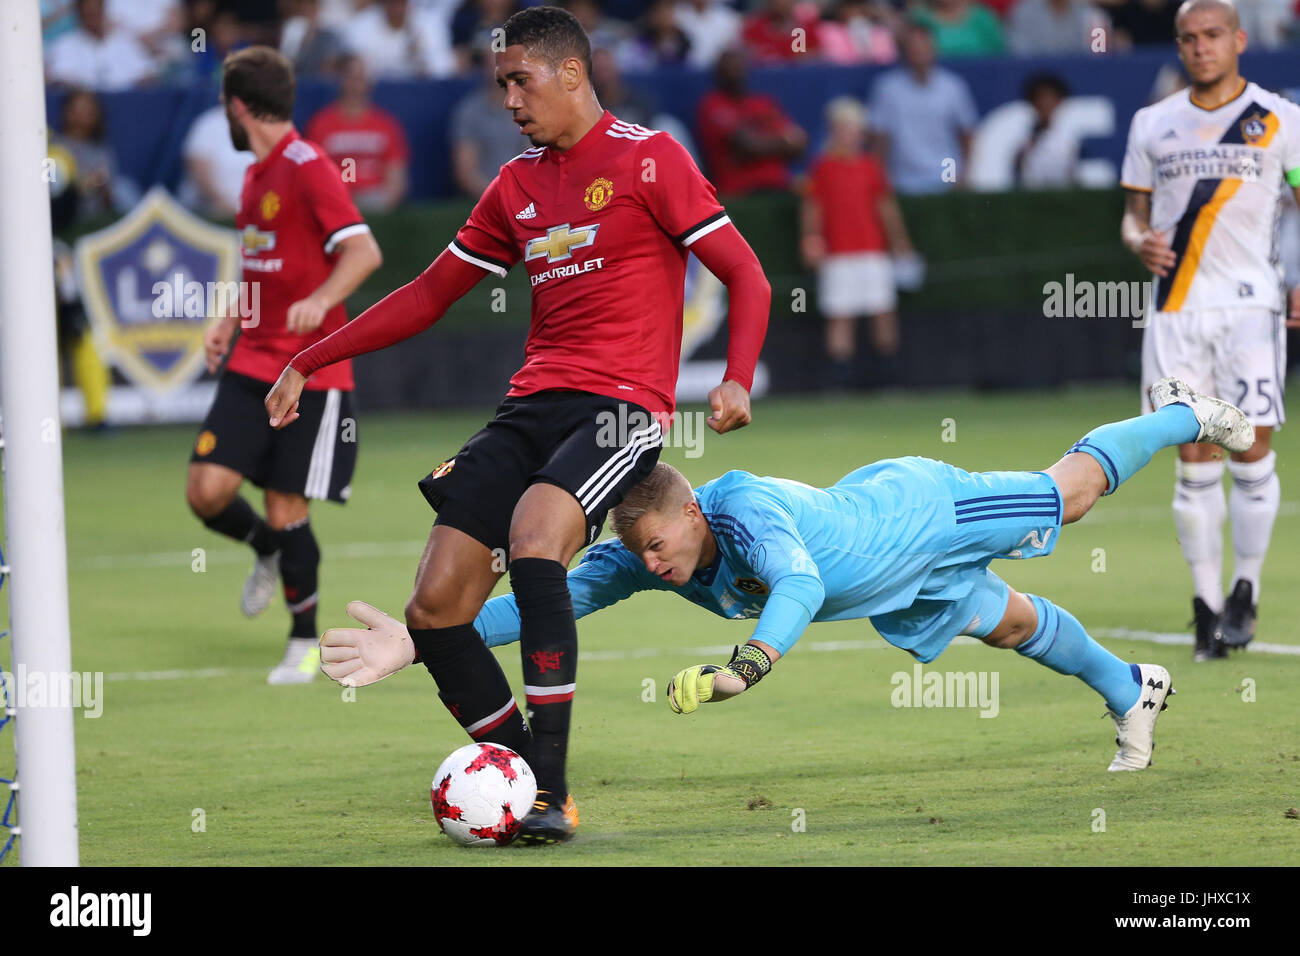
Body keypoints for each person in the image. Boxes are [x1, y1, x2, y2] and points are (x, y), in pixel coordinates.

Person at [263, 5, 770, 844]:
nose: (507, 99)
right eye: (500, 83)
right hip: (529, 406)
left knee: (539, 534)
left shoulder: (651, 159)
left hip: (622, 408)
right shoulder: (515, 185)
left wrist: (737, 377)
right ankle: (526, 772)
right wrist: (310, 357)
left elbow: (746, 274)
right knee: (434, 608)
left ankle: (552, 793)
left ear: (572, 72)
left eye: (519, 79)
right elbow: (428, 294)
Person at [320, 379, 1256, 775]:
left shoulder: (743, 511)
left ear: (691, 514)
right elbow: (545, 603)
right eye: (645, 559)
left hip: (917, 513)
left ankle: (1179, 414)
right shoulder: (645, 557)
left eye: (662, 552)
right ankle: (1132, 689)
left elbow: (799, 588)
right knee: (1009, 627)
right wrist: (426, 638)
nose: (655, 569)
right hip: (889, 585)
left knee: (1074, 494)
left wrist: (749, 664)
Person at [186, 47, 383, 684]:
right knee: (207, 491)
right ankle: (267, 552)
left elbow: (363, 250)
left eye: (225, 107)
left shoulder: (307, 166)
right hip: (250, 361)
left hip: (309, 370)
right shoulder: (255, 176)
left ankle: (303, 640)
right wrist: (227, 319)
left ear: (238, 106)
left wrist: (322, 300)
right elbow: (258, 266)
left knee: (284, 502)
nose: (226, 117)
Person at [1119, 0, 1300, 660]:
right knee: (1193, 458)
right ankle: (1205, 608)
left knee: (1249, 450)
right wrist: (1139, 240)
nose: (1200, 48)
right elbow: (1132, 217)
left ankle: (1246, 588)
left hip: (1252, 307)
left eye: (1212, 36)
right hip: (1175, 311)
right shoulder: (1153, 123)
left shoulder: (1282, 119)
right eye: (1189, 39)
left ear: (1239, 40)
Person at [800, 96, 914, 389]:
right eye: (841, 128)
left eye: (851, 128)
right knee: (840, 314)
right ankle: (840, 379)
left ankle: (890, 378)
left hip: (872, 252)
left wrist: (900, 241)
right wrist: (811, 239)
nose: (846, 133)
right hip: (837, 255)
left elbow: (885, 206)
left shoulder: (870, 167)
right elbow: (813, 207)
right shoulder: (822, 167)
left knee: (882, 311)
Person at [868, 20, 977, 194]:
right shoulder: (887, 88)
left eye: (922, 46)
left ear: (933, 49)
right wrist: (881, 180)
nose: (918, 51)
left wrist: (962, 176)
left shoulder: (953, 87)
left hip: (945, 180)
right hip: (902, 182)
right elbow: (879, 138)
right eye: (913, 47)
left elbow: (966, 134)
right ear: (904, 51)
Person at [696, 48, 807, 196]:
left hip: (779, 186)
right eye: (729, 67)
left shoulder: (763, 102)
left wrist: (766, 142)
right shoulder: (713, 105)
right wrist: (782, 143)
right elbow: (748, 146)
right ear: (719, 73)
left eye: (739, 66)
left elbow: (799, 143)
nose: (735, 72)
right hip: (740, 192)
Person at [306, 55, 411, 212]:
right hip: (335, 198)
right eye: (351, 77)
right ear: (341, 80)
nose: (356, 83)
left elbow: (397, 177)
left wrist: (386, 202)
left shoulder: (385, 124)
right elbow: (312, 174)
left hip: (375, 199)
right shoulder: (322, 124)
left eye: (361, 77)